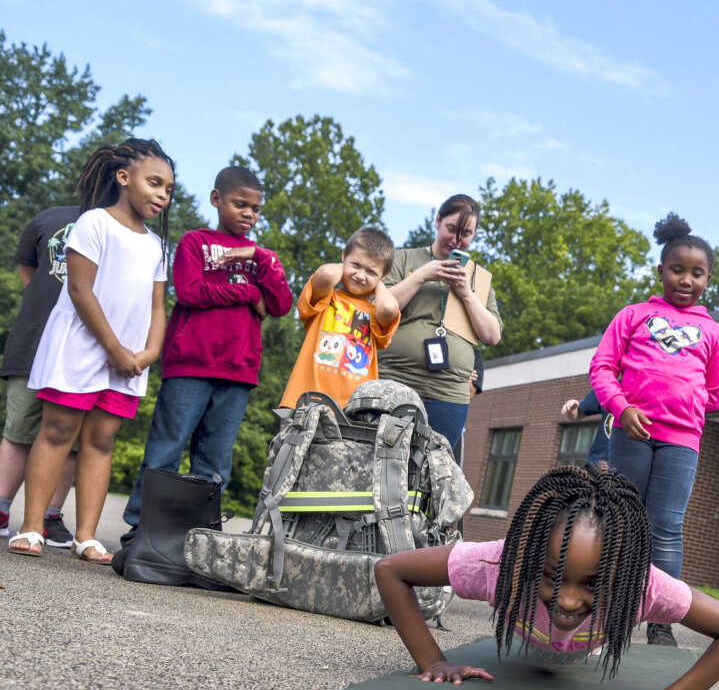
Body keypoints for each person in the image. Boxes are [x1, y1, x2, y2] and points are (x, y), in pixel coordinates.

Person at [374, 465, 719, 690]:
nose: (567, 601)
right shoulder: (499, 563)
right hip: (525, 646)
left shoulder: (642, 585)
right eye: (552, 577)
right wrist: (433, 662)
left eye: (592, 583)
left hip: (588, 649)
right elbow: (391, 570)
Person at [9, 140, 175, 563]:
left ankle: (86, 536)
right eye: (154, 183)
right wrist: (115, 348)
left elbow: (158, 305)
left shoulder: (157, 245)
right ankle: (31, 528)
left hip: (128, 362)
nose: (162, 195)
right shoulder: (94, 224)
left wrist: (149, 351)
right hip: (80, 350)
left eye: (169, 189)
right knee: (57, 431)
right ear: (124, 177)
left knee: (101, 440)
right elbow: (81, 291)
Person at [120, 165, 293, 545]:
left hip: (238, 372)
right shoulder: (195, 242)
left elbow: (281, 305)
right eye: (240, 204)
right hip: (190, 365)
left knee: (214, 462)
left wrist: (263, 260)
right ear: (217, 200)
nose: (248, 213)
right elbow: (191, 292)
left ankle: (196, 536)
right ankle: (141, 528)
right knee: (166, 447)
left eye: (256, 209)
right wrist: (249, 294)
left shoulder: (263, 258)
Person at [588, 215, 719, 648]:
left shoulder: (713, 332)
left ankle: (661, 619)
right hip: (631, 432)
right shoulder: (634, 316)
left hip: (681, 442)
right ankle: (607, 607)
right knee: (619, 518)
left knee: (666, 526)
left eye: (697, 273)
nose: (686, 280)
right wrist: (623, 407)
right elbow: (602, 368)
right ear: (661, 271)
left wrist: (682, 409)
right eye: (677, 269)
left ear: (708, 279)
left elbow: (716, 393)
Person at [382, 194, 502, 451]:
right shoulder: (403, 259)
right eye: (451, 229)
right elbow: (381, 309)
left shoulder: (478, 278)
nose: (457, 240)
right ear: (437, 221)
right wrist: (422, 276)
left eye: (466, 233)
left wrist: (466, 294)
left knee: (432, 473)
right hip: (395, 378)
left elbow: (492, 335)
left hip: (449, 393)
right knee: (381, 464)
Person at [0, 203, 81, 545]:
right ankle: (2, 507)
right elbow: (26, 268)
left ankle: (50, 515)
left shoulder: (122, 228)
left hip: (81, 348)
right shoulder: (49, 219)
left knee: (71, 437)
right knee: (19, 428)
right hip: (34, 340)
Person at [278, 227, 400, 409]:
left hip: (352, 413)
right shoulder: (326, 298)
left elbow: (389, 308)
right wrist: (351, 267)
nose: (360, 276)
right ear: (343, 257)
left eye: (371, 272)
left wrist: (378, 281)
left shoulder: (376, 312)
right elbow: (326, 275)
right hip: (304, 401)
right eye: (356, 265)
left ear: (383, 277)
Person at [560, 390, 612, 469]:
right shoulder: (610, 387)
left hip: (632, 472)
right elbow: (578, 412)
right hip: (598, 467)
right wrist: (572, 409)